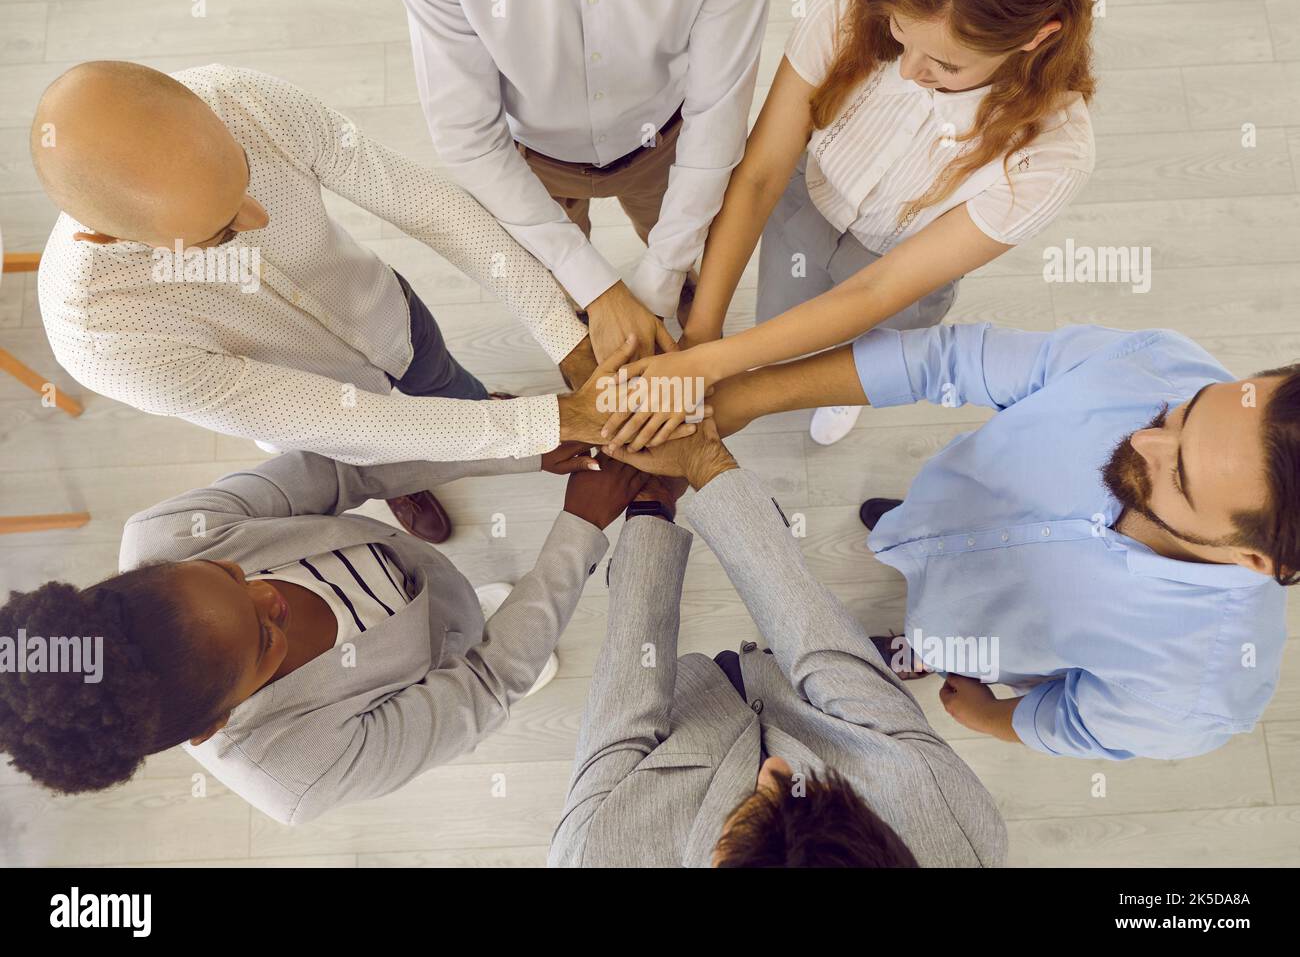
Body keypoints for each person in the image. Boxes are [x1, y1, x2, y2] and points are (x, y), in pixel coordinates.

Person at [605, 323, 1300, 761]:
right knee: (915, 517)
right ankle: (909, 528)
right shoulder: (1159, 365)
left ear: (1254, 559)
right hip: (945, 500)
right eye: (1184, 411)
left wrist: (994, 715)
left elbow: (1078, 722)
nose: (1142, 437)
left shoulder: (1199, 689)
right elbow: (948, 357)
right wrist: (742, 397)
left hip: (971, 645)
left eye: (1173, 474)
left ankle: (913, 653)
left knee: (928, 643)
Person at [0, 366, 652, 825]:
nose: (270, 596)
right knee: (484, 653)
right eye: (264, 640)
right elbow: (484, 684)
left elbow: (348, 465)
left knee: (459, 605)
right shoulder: (299, 773)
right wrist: (583, 526)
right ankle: (468, 623)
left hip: (411, 572)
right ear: (214, 724)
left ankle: (467, 613)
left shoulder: (167, 533)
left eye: (229, 573)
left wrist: (519, 443)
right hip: (444, 659)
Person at [30, 60, 629, 544]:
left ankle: (472, 411)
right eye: (221, 230)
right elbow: (342, 421)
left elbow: (429, 207)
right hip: (312, 407)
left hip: (388, 314)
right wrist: (553, 421)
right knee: (381, 446)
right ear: (108, 237)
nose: (257, 217)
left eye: (244, 179)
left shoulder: (241, 100)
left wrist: (567, 337)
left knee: (451, 385)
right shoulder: (101, 336)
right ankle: (405, 478)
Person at [600, 0, 1100, 452]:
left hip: (901, 271)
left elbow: (879, 292)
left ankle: (836, 390)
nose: (908, 71)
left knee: (865, 350)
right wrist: (701, 339)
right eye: (900, 33)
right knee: (777, 318)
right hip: (803, 207)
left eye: (946, 65)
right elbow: (759, 177)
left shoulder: (1051, 155)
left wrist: (712, 372)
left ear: (1037, 35)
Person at [549, 421, 1007, 867]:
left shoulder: (594, 856)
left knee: (849, 676)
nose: (778, 770)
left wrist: (650, 512)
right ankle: (877, 672)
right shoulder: (960, 835)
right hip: (819, 691)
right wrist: (706, 463)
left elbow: (624, 696)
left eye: (747, 817)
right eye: (825, 793)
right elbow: (822, 644)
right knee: (850, 672)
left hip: (693, 706)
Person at [385, 0, 778, 361]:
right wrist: (595, 290)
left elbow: (718, 109)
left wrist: (663, 273)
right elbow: (468, 135)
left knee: (678, 249)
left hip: (664, 138)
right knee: (567, 288)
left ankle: (679, 282)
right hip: (528, 163)